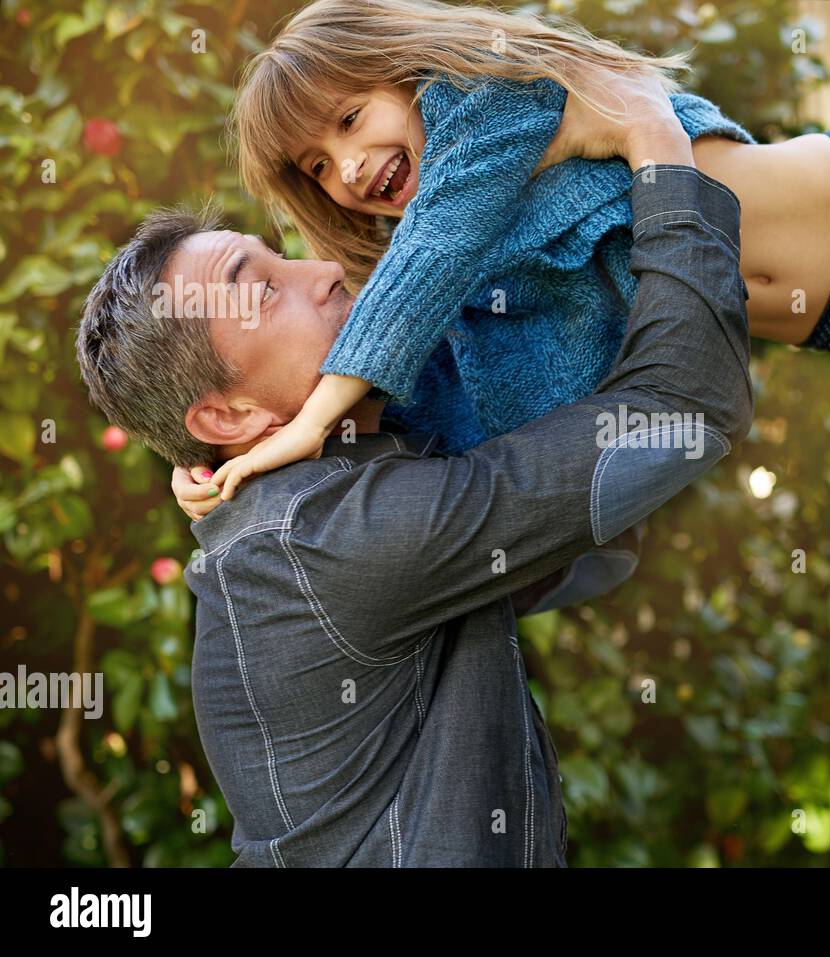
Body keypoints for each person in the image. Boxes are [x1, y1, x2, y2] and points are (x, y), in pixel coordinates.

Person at [178, 0, 830, 564]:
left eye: (351, 121)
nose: (350, 169)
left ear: (403, 73)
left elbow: (430, 254)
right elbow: (468, 405)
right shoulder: (466, 269)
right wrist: (249, 470)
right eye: (318, 169)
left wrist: (308, 422)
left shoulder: (487, 102)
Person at [75, 107, 753, 865]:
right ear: (229, 413)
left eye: (280, 255)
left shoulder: (309, 509)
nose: (326, 268)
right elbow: (685, 407)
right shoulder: (329, 539)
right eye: (260, 288)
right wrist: (652, 136)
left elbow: (583, 534)